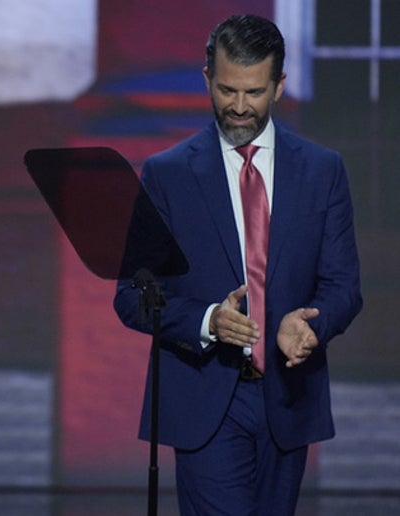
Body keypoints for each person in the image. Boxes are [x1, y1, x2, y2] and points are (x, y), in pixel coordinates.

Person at [113, 14, 362, 515]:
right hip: (207, 399)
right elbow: (131, 296)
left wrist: (312, 324)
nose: (240, 106)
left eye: (254, 92)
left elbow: (343, 287)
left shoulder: (322, 171)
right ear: (207, 79)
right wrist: (207, 321)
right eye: (227, 90)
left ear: (279, 85)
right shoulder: (167, 175)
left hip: (286, 400)